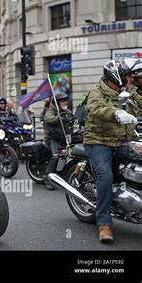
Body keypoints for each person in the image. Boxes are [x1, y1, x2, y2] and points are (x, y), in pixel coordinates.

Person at [84, 59, 142, 243]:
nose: (131, 80)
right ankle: (104, 223)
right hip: (99, 141)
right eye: (128, 77)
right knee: (105, 177)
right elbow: (96, 108)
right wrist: (116, 113)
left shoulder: (129, 93)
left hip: (124, 140)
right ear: (117, 78)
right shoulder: (97, 92)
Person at [43, 92, 74, 191]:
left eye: (65, 100)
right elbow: (47, 118)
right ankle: (47, 179)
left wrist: (75, 120)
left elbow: (74, 119)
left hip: (65, 138)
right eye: (62, 101)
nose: (65, 102)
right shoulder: (52, 110)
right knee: (56, 156)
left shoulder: (67, 111)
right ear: (57, 102)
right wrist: (59, 118)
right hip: (53, 138)